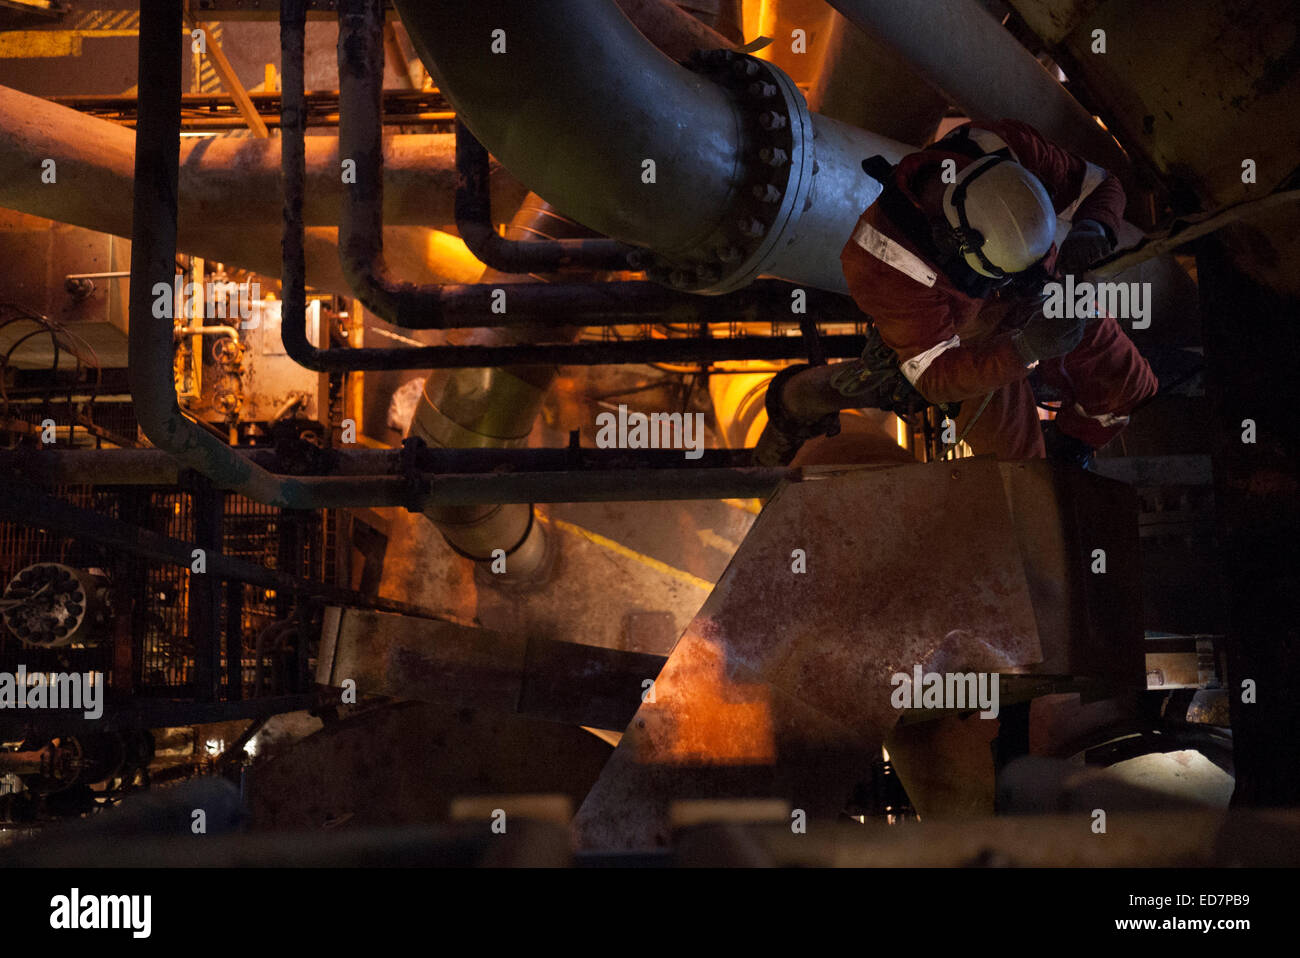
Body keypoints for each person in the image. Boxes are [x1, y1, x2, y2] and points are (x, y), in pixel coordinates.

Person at [839, 119, 1157, 463]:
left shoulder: (1007, 147)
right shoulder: (881, 262)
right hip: (967, 339)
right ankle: (1039, 489)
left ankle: (1071, 450)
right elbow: (932, 374)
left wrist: (1095, 226)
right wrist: (1024, 349)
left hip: (1044, 290)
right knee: (1017, 467)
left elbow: (1102, 185)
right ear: (954, 242)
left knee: (1128, 387)